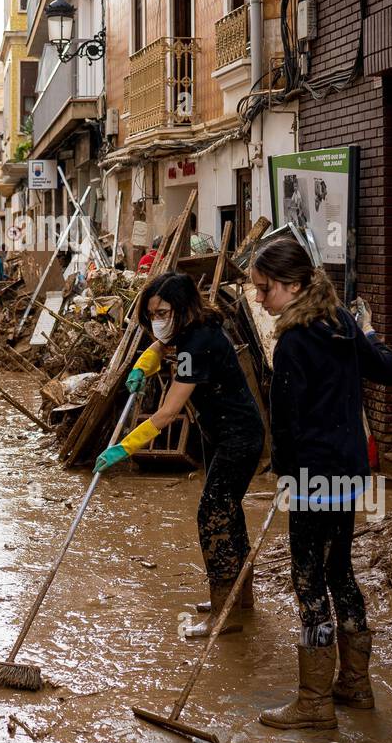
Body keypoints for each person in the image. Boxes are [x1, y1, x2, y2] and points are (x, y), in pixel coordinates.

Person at [250, 238, 392, 730]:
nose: (257, 298)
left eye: (264, 288)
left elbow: (289, 421)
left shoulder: (294, 341)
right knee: (341, 572)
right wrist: (371, 334)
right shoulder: (341, 325)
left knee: (309, 579)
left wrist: (286, 478)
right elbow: (390, 371)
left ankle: (314, 702)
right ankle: (355, 685)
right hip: (349, 470)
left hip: (314, 474)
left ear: (292, 285)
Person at [95, 271, 265, 637]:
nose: (158, 320)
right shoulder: (192, 329)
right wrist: (142, 366)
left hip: (239, 438)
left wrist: (123, 447)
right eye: (153, 313)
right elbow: (161, 347)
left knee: (213, 514)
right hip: (228, 434)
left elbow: (168, 412)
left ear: (183, 308)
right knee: (228, 509)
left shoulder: (197, 343)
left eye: (164, 312)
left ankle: (224, 611)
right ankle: (240, 597)